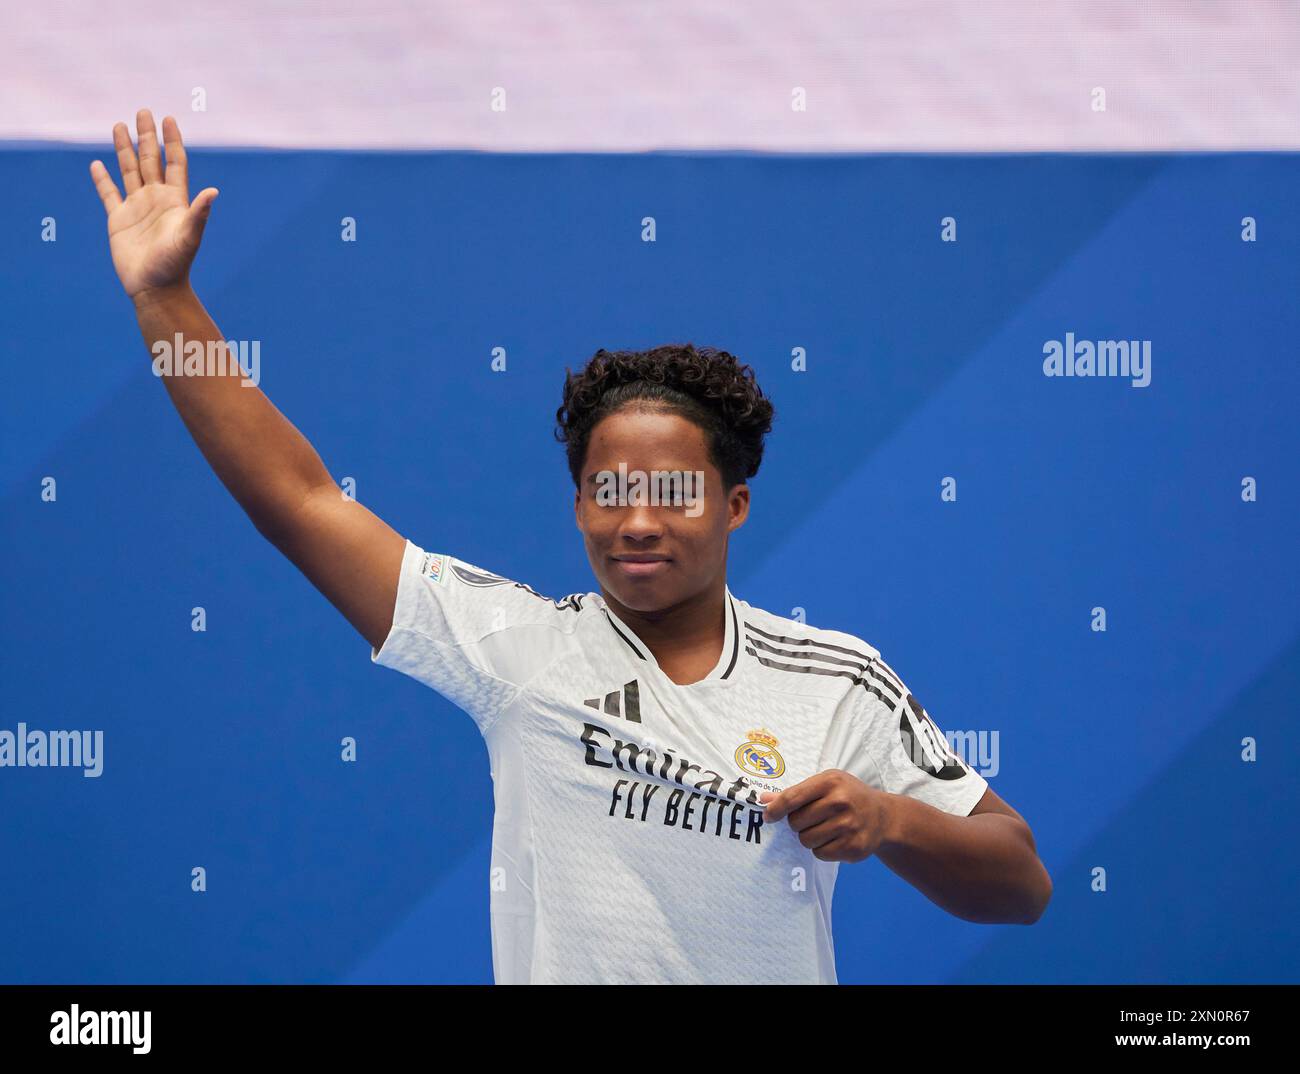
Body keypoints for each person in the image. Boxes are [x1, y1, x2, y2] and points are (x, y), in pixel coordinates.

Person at [89, 109, 1052, 985]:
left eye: (671, 493)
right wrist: (166, 299)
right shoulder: (519, 652)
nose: (637, 520)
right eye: (607, 492)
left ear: (737, 506)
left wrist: (890, 821)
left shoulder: (837, 682)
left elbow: (1021, 881)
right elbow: (299, 501)